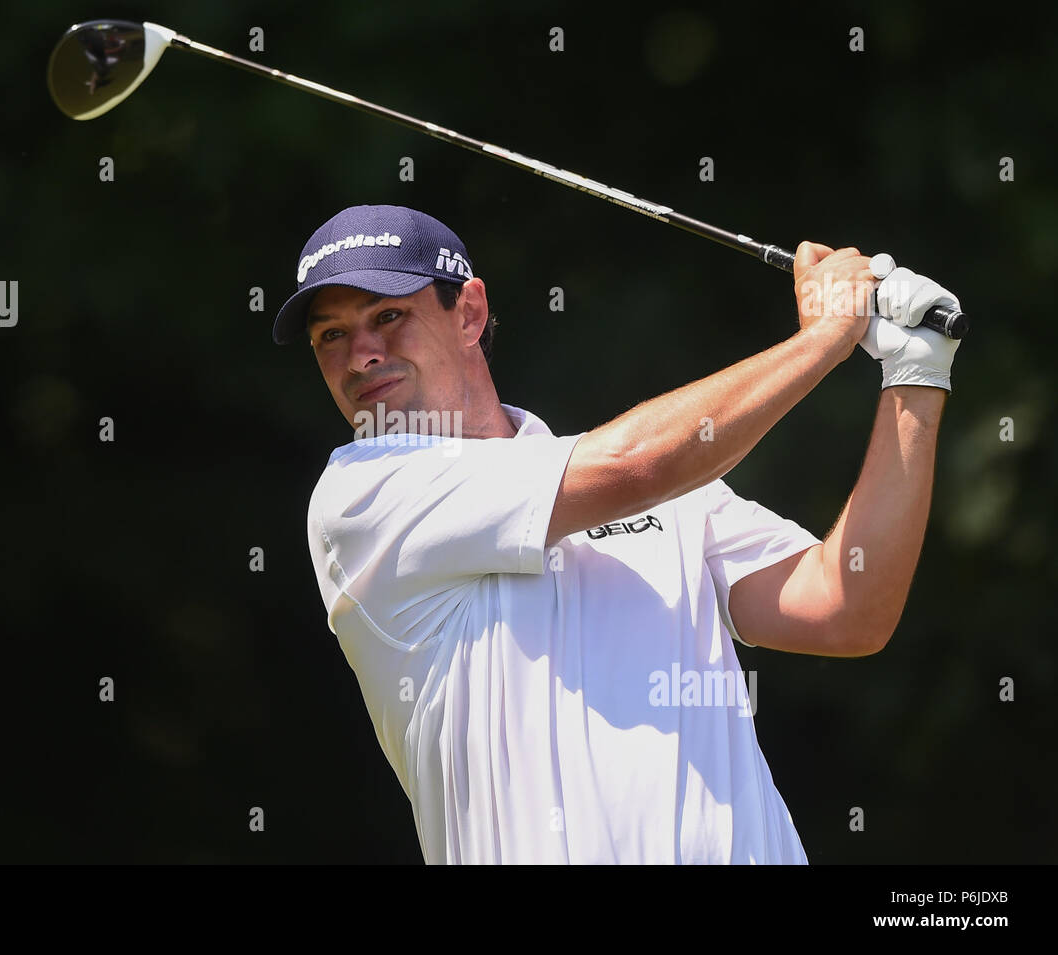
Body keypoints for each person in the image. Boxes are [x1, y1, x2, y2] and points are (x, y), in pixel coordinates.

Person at [271, 204, 961, 864]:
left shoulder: (666, 487)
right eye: (330, 334)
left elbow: (846, 608)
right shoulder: (361, 498)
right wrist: (825, 336)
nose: (360, 354)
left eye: (388, 316)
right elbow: (639, 462)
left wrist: (915, 376)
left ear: (470, 313)